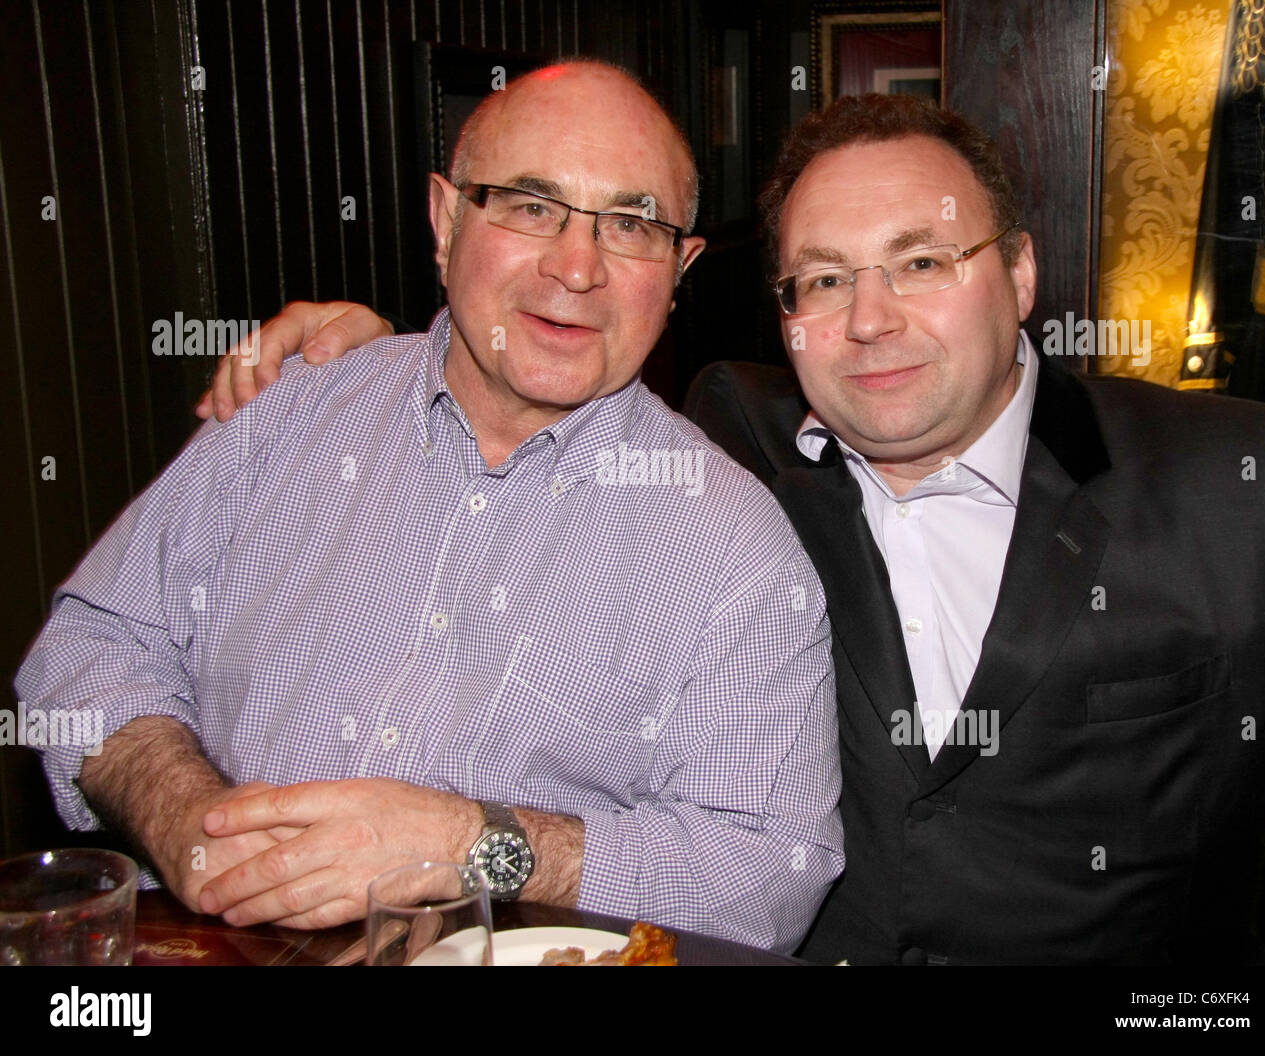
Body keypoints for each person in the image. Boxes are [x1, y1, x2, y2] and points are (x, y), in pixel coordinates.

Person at [223, 92, 1265, 966]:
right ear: (783, 316)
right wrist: (373, 357)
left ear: (1017, 273)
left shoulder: (1240, 482)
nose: (870, 319)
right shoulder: (724, 448)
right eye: (824, 279)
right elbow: (519, 391)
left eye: (922, 262)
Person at [15, 61, 844, 952]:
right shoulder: (284, 413)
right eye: (530, 206)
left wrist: (477, 846)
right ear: (447, 223)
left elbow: (769, 873)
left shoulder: (735, 554)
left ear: (679, 269)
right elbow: (90, 645)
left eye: (631, 224)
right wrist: (189, 821)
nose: (576, 267)